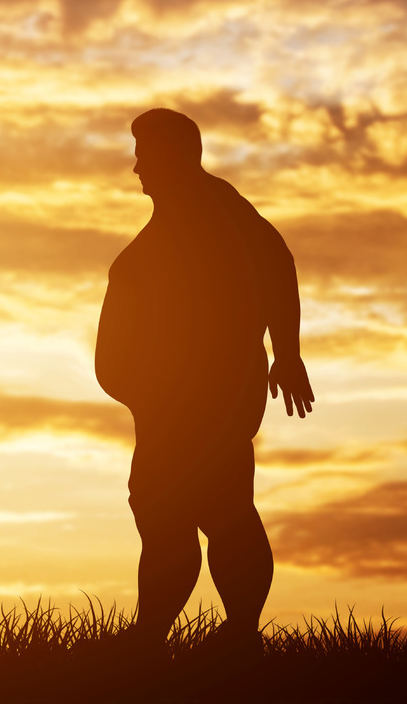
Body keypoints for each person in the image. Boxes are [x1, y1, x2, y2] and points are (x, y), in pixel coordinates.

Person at [95, 108, 313, 660]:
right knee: (169, 508)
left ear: (176, 155)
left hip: (206, 390)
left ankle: (215, 633)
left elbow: (277, 267)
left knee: (214, 507)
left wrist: (286, 353)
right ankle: (166, 632)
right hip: (167, 396)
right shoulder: (186, 210)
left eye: (145, 154)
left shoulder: (219, 208)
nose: (136, 168)